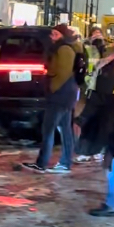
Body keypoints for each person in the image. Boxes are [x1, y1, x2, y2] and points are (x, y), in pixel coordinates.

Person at [76, 27, 114, 216]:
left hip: (113, 123)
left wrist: (81, 119)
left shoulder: (112, 65)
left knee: (113, 163)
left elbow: (99, 97)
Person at [29, 24, 80, 174]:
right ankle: (65, 163)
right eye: (52, 34)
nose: (52, 37)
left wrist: (52, 88)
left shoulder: (64, 49)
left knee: (49, 129)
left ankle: (42, 163)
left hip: (60, 95)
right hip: (67, 94)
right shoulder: (66, 47)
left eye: (55, 34)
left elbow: (63, 73)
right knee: (65, 129)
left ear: (63, 35)